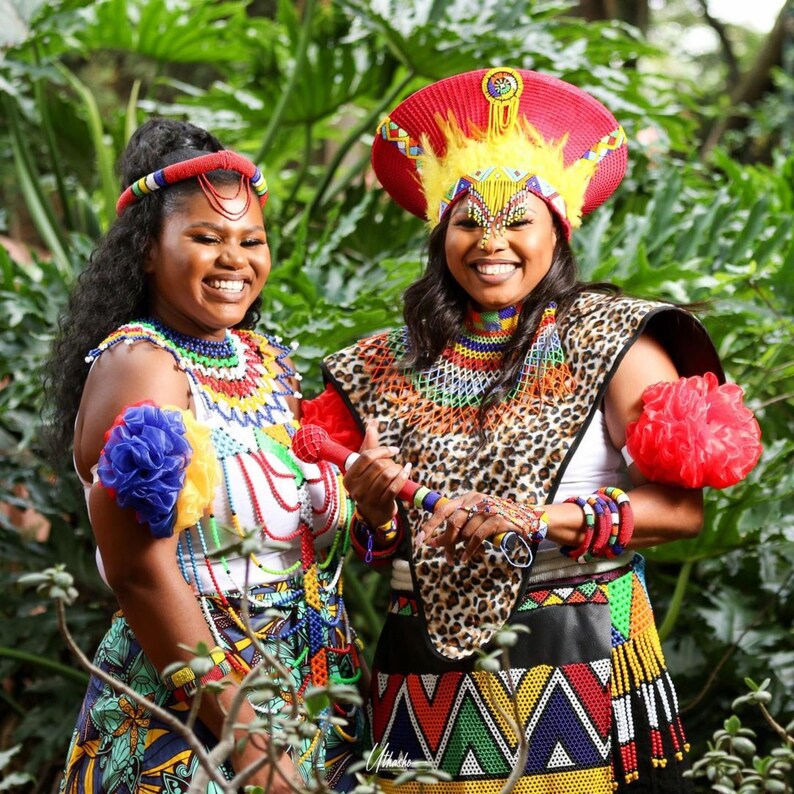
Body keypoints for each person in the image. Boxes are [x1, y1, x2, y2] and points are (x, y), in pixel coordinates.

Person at [313, 68, 762, 793]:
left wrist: (531, 518)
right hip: (425, 678)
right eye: (468, 221)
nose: (492, 242)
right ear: (441, 233)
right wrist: (369, 511)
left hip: (587, 646)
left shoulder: (614, 340)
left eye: (518, 219)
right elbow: (377, 550)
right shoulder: (378, 366)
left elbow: (680, 511)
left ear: (558, 226)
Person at [45, 118, 364, 793]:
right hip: (196, 711)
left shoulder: (266, 362)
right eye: (205, 238)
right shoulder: (143, 366)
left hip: (308, 688)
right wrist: (249, 742)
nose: (234, 260)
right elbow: (140, 574)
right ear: (147, 253)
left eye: (251, 241)